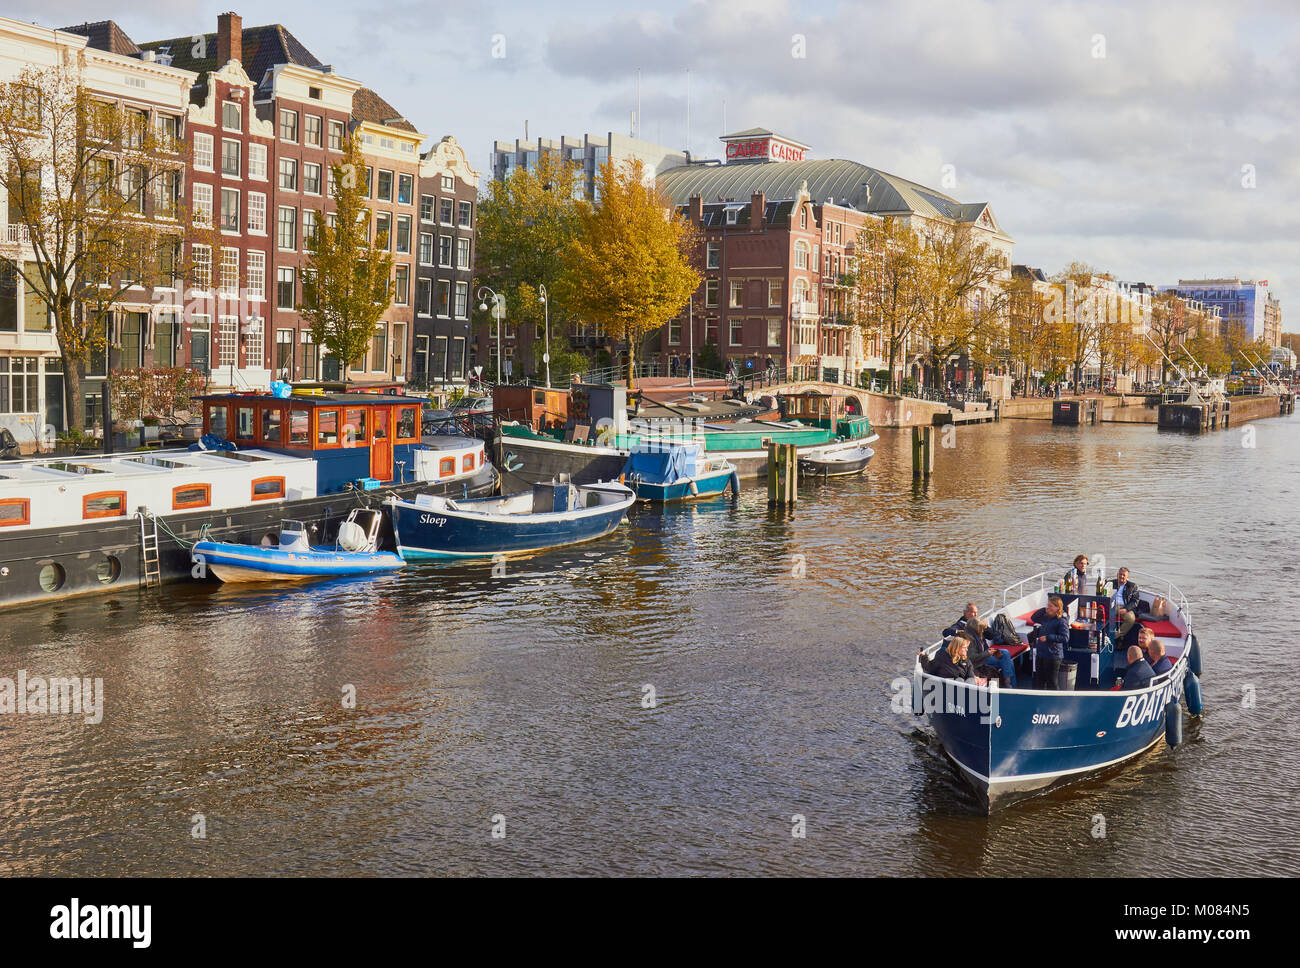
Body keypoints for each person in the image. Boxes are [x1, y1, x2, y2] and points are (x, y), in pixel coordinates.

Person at [1028, 594, 1069, 690]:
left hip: (1053, 655)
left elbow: (1065, 638)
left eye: (1051, 606)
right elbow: (1033, 617)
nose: (1048, 608)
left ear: (1057, 607)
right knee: (1039, 680)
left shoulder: (1061, 621)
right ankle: (1039, 701)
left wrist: (1048, 637)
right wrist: (1044, 609)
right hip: (1041, 653)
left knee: (1052, 682)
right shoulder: (1046, 617)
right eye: (1048, 605)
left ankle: (1056, 702)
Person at [967, 618, 1017, 688]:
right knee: (1007, 658)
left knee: (1008, 659)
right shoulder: (970, 639)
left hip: (985, 655)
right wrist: (988, 653)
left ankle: (1010, 685)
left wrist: (986, 626)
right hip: (980, 662)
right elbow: (972, 658)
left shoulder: (977, 634)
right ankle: (1010, 685)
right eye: (982, 629)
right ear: (977, 628)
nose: (983, 631)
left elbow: (992, 635)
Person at [1109, 566, 1141, 644]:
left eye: (1124, 575)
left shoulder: (1132, 586)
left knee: (1131, 619)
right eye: (1120, 574)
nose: (1121, 576)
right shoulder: (1110, 583)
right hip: (1111, 605)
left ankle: (1115, 636)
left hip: (1124, 607)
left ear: (1127, 577)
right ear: (1117, 575)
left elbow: (1135, 601)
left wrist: (1126, 609)